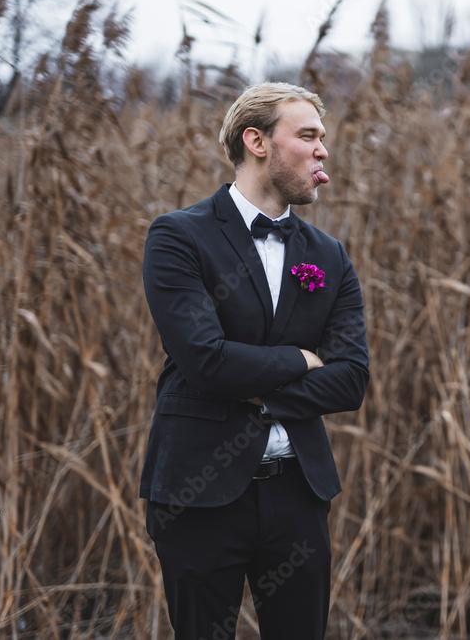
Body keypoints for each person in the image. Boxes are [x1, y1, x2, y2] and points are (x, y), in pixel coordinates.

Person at [140, 82, 369, 640]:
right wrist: (298, 359)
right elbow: (206, 362)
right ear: (257, 141)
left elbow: (350, 380)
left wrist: (258, 384)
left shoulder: (328, 255)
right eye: (308, 136)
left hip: (299, 493)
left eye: (323, 139)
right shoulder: (179, 237)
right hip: (199, 493)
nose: (323, 151)